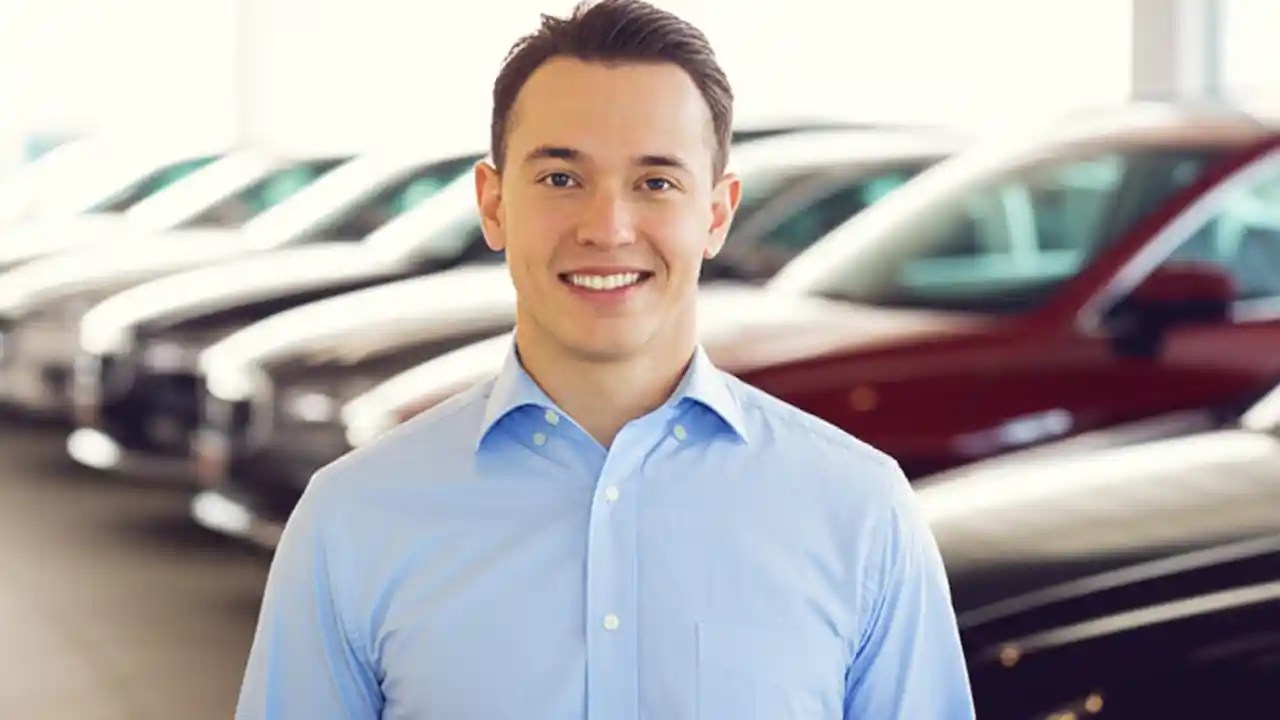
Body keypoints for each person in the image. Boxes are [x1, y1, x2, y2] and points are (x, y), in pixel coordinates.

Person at [236, 1, 975, 717]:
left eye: (656, 182)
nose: (607, 227)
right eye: (562, 178)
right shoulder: (352, 520)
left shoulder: (860, 512)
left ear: (716, 214)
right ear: (493, 205)